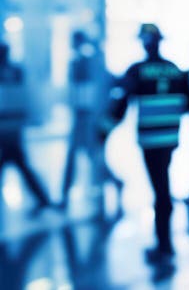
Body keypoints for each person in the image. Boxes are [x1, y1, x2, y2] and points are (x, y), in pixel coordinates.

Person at [103, 24, 189, 269]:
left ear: (145, 43)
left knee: (161, 191)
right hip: (170, 139)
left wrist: (103, 130)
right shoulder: (175, 70)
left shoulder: (137, 71)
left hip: (151, 140)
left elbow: (120, 106)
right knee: (162, 186)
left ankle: (165, 245)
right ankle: (164, 243)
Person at [60, 31, 121, 214]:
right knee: (78, 156)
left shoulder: (91, 63)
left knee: (92, 155)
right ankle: (64, 195)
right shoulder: (78, 63)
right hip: (81, 117)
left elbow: (99, 88)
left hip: (90, 118)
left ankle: (115, 182)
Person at [0, 41, 52, 213]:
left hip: (9, 123)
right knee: (18, 161)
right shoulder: (16, 71)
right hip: (12, 122)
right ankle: (42, 197)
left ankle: (43, 197)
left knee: (17, 160)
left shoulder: (14, 71)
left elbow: (23, 95)